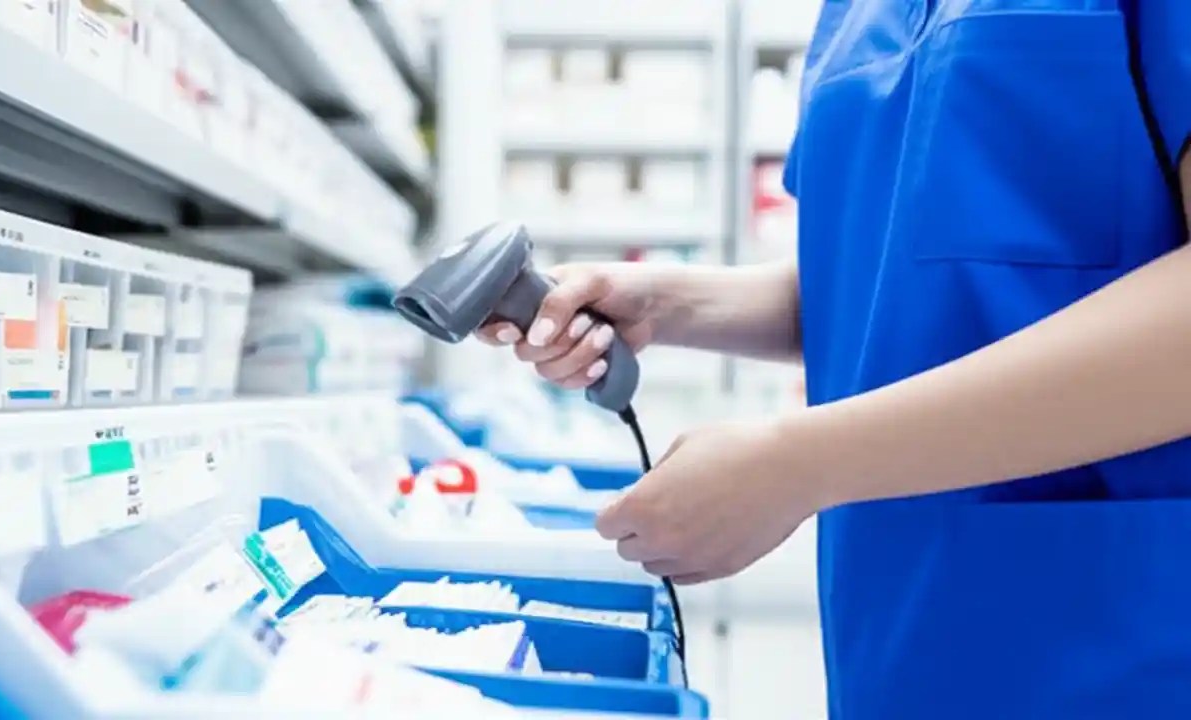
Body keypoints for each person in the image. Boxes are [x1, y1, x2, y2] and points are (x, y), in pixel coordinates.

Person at [478, 1, 1191, 718]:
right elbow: (894, 276)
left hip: (1124, 653)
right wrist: (670, 304)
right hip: (898, 644)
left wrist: (801, 463)